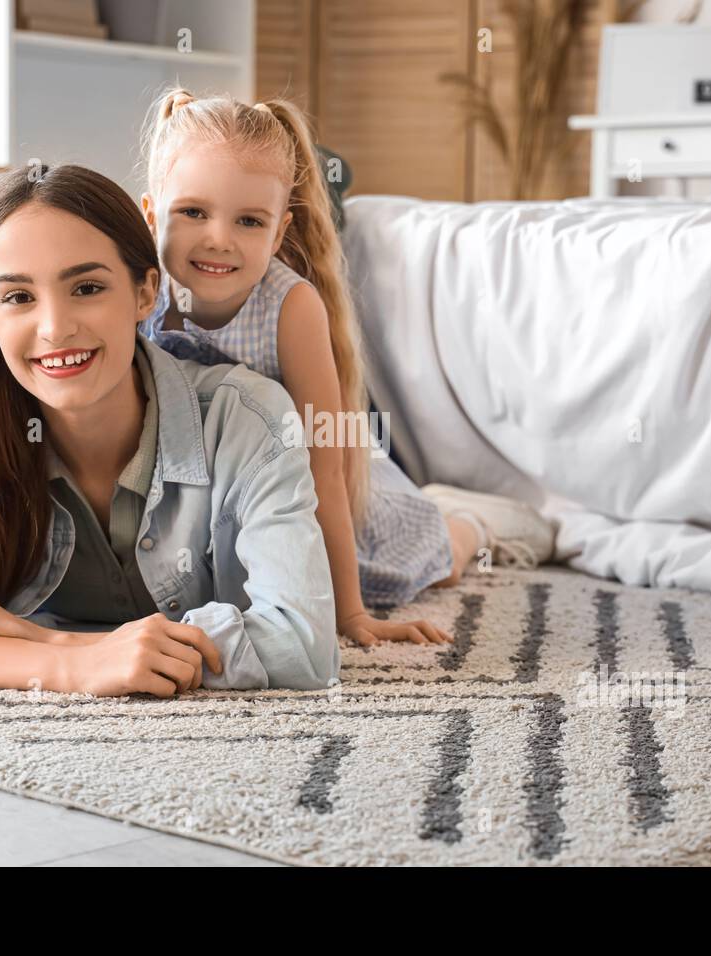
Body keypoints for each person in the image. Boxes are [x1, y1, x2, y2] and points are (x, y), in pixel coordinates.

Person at [0, 163, 341, 697]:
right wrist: (71, 666)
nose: (55, 327)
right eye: (18, 297)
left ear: (144, 293)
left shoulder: (248, 418)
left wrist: (45, 640)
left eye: (86, 287)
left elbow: (303, 646)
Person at [136, 88, 556, 647]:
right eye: (193, 212)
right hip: (217, 498)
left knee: (416, 566)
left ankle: (471, 521)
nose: (220, 239)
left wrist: (351, 615)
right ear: (150, 213)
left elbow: (326, 469)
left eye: (249, 221)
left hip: (312, 485)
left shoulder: (289, 308)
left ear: (279, 232)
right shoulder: (138, 293)